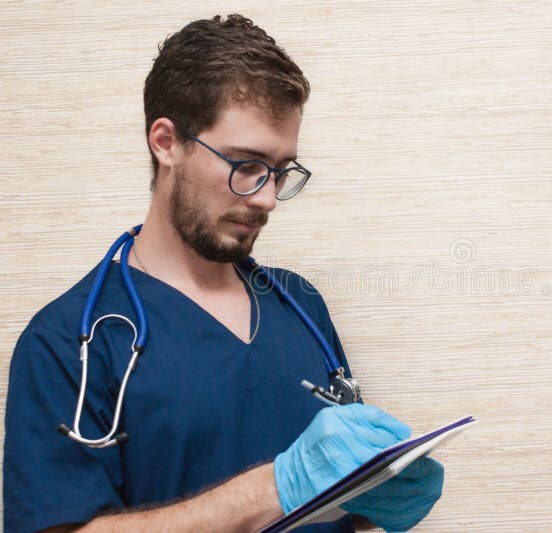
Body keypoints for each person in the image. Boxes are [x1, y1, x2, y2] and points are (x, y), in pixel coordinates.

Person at [4, 14, 444, 533]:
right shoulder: (69, 341)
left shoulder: (299, 303)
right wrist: (273, 488)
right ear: (167, 142)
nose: (267, 198)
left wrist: (377, 493)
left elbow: (333, 491)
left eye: (281, 171)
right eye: (246, 165)